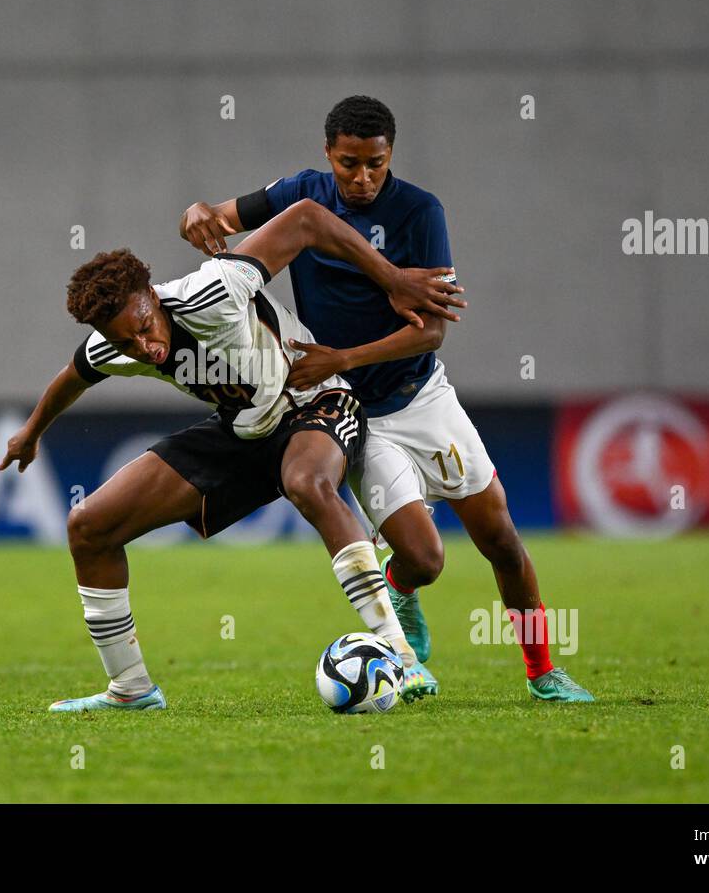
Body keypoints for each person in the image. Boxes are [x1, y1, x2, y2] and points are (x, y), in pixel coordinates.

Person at [179, 95, 593, 702]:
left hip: (420, 396)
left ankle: (542, 671)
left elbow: (431, 331)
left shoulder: (420, 213)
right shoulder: (302, 193)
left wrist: (340, 357)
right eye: (350, 163)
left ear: (390, 154)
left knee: (500, 537)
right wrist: (195, 211)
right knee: (425, 560)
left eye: (375, 163)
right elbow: (217, 216)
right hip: (353, 415)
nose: (363, 177)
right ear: (329, 154)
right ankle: (402, 594)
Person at [0, 198, 462, 710]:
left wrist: (393, 278)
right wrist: (31, 432)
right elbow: (74, 376)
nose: (144, 347)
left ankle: (400, 653)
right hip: (243, 429)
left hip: (315, 398)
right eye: (126, 342)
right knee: (89, 526)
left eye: (145, 326)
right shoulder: (115, 342)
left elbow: (306, 217)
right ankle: (130, 690)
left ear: (152, 296)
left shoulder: (212, 289)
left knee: (307, 482)